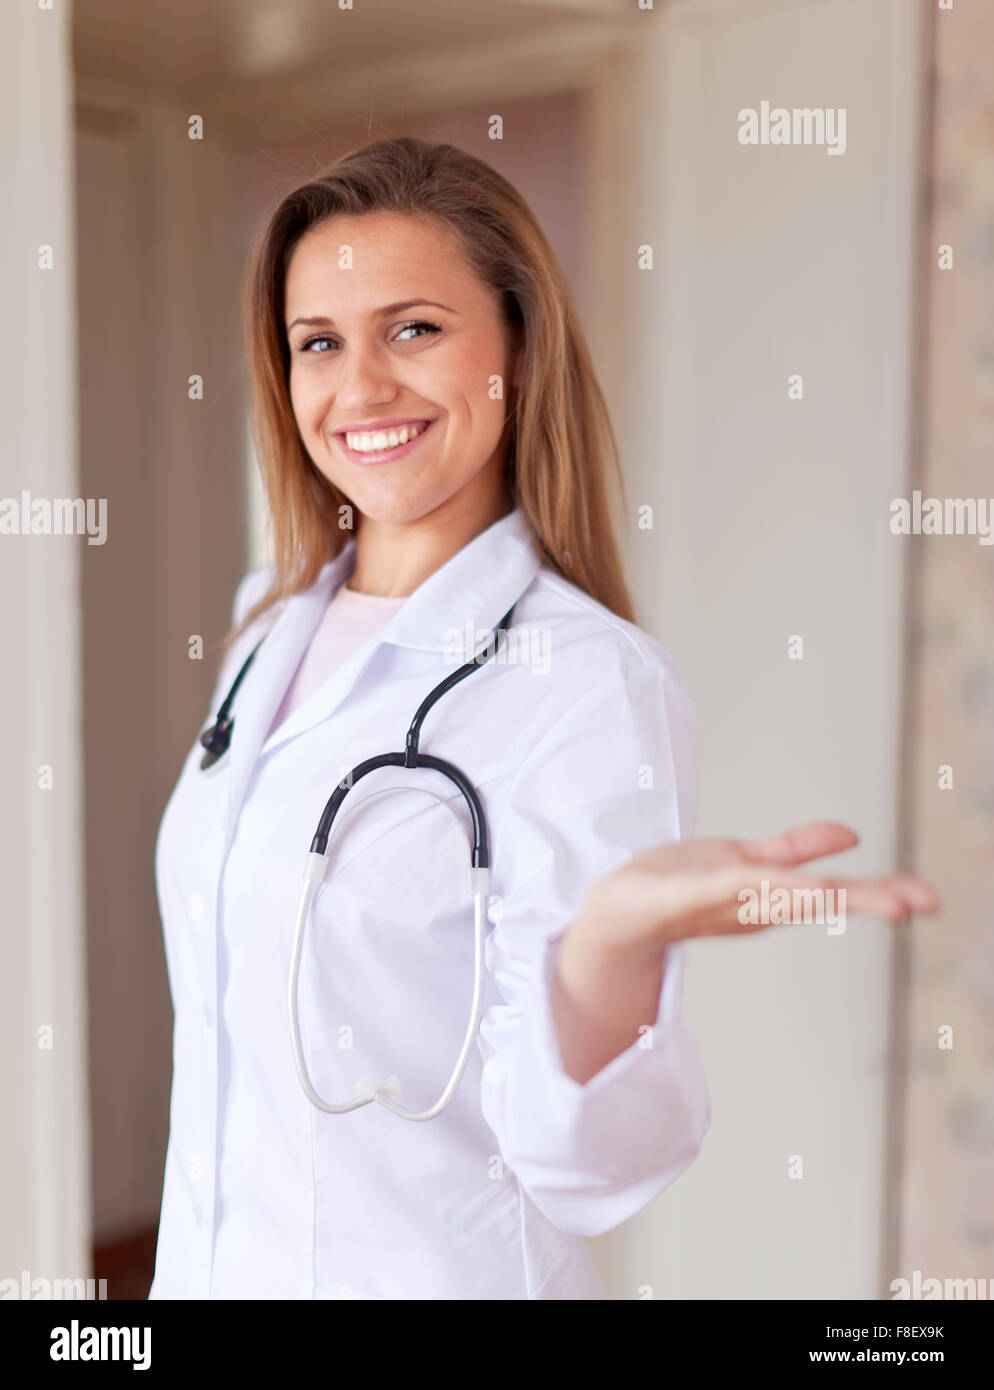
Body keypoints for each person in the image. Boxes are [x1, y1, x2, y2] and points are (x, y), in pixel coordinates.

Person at [147, 137, 938, 1300]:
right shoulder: (266, 628)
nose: (359, 386)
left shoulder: (584, 680)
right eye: (319, 341)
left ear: (517, 347)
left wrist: (601, 957)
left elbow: (584, 1170)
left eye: (412, 328)